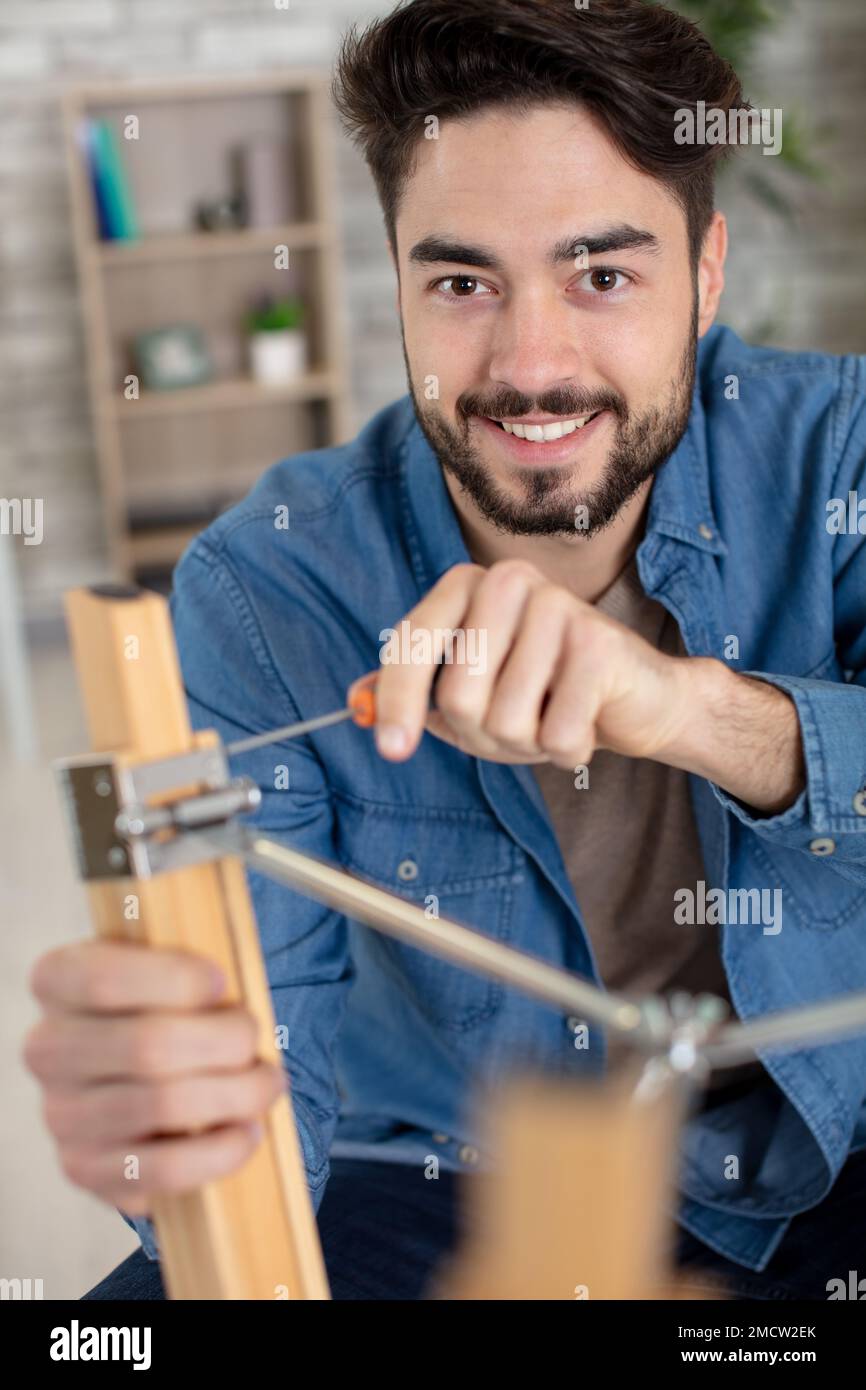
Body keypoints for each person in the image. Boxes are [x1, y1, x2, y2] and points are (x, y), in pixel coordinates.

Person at [25, 0, 866, 1300]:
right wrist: (181, 1153)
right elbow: (262, 1074)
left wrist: (689, 710)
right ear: (399, 277)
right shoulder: (268, 585)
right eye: (463, 281)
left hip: (828, 1151)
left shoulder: (840, 455)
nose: (530, 365)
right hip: (460, 1179)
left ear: (704, 277)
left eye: (602, 274)